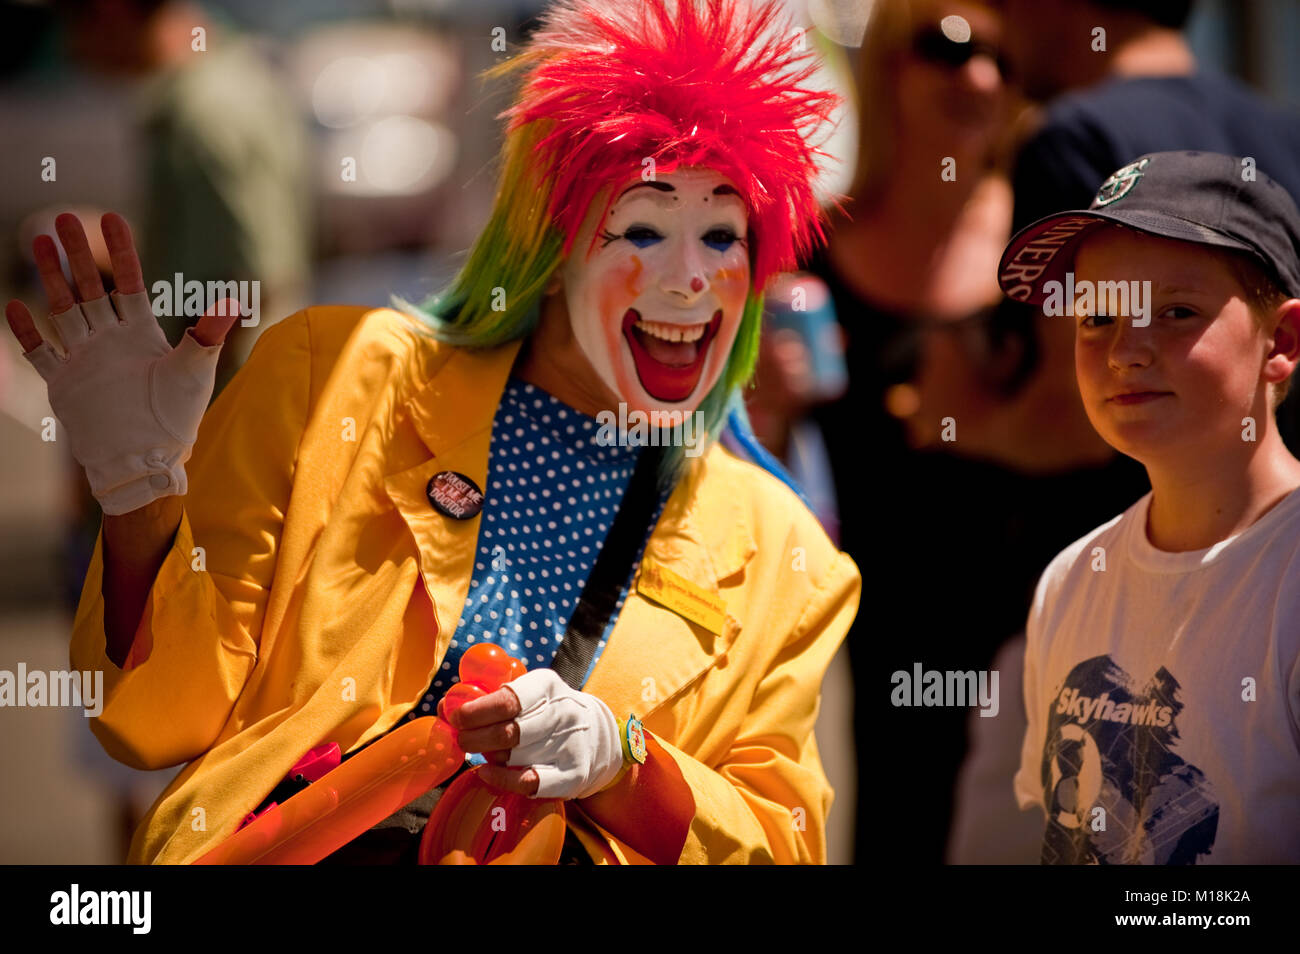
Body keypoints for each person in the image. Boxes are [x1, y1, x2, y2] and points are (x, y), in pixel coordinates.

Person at [4, 0, 860, 865]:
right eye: (644, 228)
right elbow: (159, 718)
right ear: (552, 245)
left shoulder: (787, 553)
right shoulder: (330, 376)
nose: (689, 278)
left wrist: (625, 762)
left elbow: (785, 842)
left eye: (723, 235)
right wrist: (138, 488)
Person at [998, 150, 1300, 863]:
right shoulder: (1071, 580)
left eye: (1175, 312)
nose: (1127, 350)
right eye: (1097, 316)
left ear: (1280, 342)